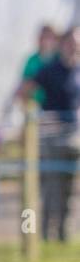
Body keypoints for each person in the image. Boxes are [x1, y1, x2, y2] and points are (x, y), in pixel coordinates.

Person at [31, 27, 80, 243]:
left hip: (74, 136)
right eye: (71, 42)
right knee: (51, 186)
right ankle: (41, 233)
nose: (74, 47)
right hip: (51, 135)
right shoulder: (50, 69)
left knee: (69, 187)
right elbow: (25, 89)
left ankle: (63, 233)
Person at [20, 24, 58, 107]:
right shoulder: (32, 60)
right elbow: (25, 83)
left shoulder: (59, 59)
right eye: (43, 37)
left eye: (48, 38)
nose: (45, 41)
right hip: (36, 105)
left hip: (55, 105)